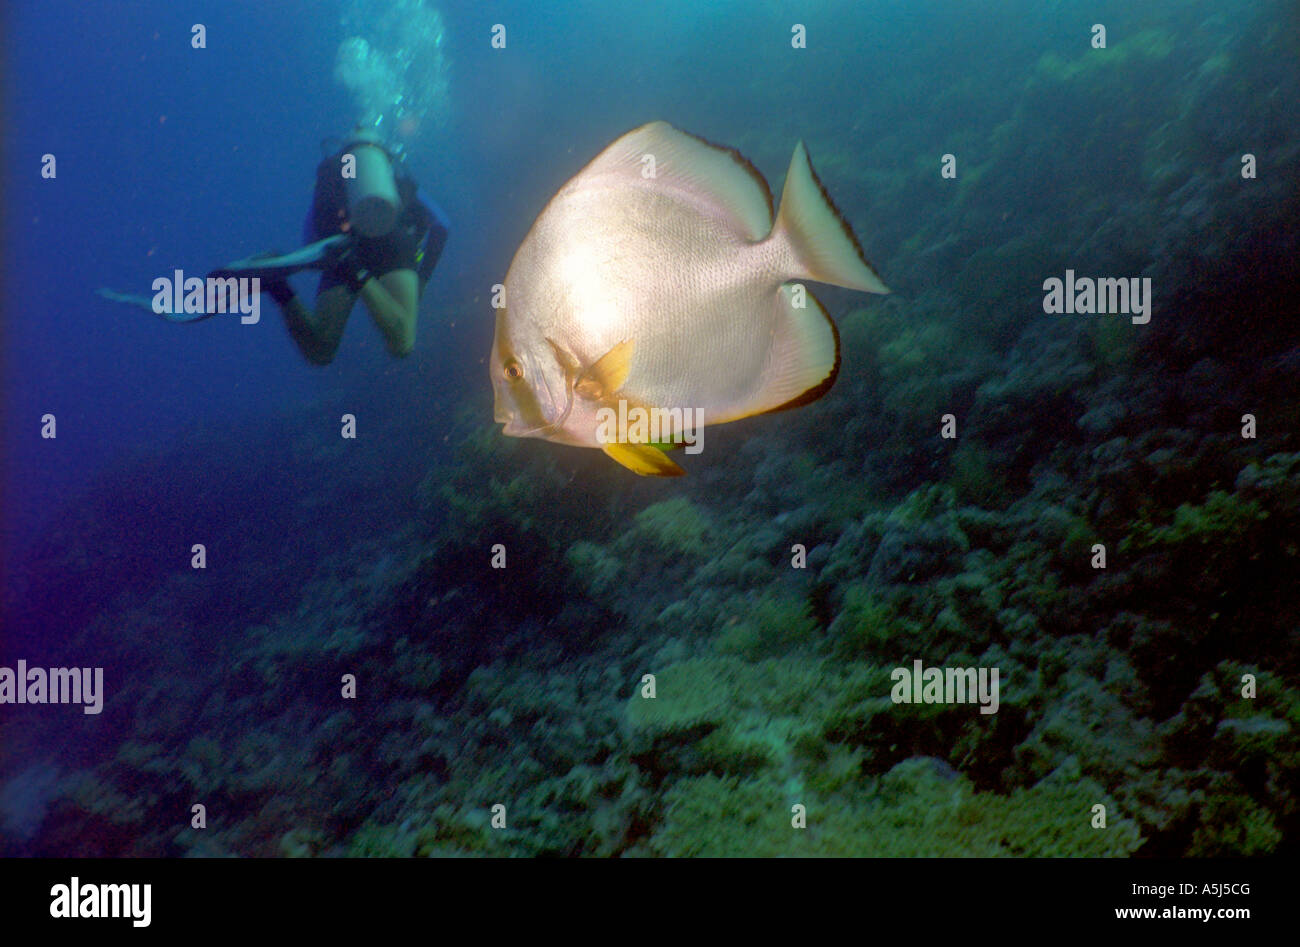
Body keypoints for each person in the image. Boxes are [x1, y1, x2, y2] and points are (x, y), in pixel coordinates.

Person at [261, 128, 449, 364]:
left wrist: (331, 262)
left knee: (321, 351)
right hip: (391, 244)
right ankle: (356, 272)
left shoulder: (335, 181)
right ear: (385, 157)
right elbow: (442, 225)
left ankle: (278, 287)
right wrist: (422, 279)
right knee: (402, 343)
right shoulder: (397, 180)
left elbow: (311, 235)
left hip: (340, 246)